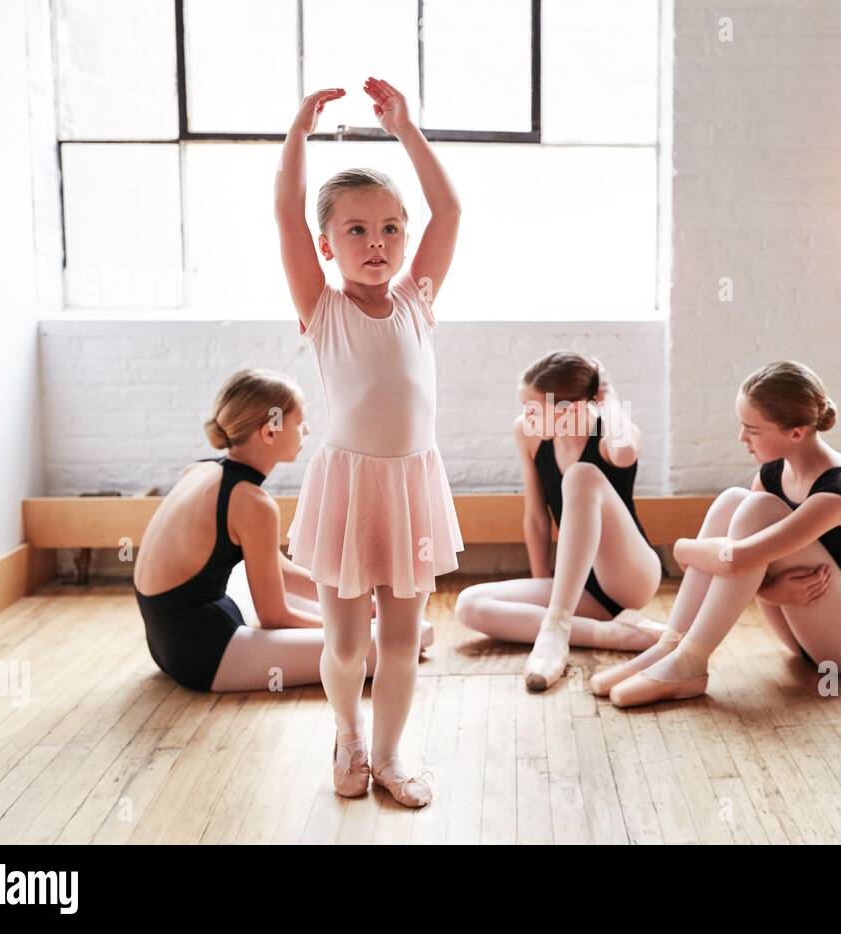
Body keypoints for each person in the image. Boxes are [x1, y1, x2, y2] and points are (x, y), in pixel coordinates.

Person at [275, 78, 463, 806]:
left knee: (402, 640)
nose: (376, 242)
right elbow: (285, 214)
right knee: (348, 642)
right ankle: (347, 735)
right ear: (328, 245)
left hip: (412, 487)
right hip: (348, 490)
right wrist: (298, 136)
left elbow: (449, 209)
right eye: (356, 230)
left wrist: (406, 130)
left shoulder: (418, 302)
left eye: (389, 228)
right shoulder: (322, 310)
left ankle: (389, 755)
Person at [590, 360, 841, 708]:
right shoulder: (772, 474)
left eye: (752, 429)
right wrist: (770, 590)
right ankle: (672, 644)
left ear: (796, 432)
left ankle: (691, 661)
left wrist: (683, 549)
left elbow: (738, 559)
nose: (742, 438)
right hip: (803, 628)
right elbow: (746, 570)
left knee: (758, 510)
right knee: (733, 502)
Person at [133, 369, 434, 694]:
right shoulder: (253, 503)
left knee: (384, 626)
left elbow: (278, 569)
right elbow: (275, 616)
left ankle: (357, 620)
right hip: (206, 654)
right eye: (299, 421)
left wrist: (362, 603)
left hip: (168, 642)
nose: (306, 430)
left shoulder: (202, 468)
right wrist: (355, 627)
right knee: (414, 635)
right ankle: (358, 629)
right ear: (270, 432)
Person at [455, 352, 667, 692]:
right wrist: (545, 585)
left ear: (568, 409)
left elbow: (626, 452)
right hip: (576, 587)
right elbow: (537, 516)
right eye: (523, 404)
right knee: (470, 606)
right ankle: (610, 634)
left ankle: (557, 626)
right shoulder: (528, 434)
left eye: (533, 407)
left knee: (581, 476)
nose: (525, 415)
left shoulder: (612, 435)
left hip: (627, 575)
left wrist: (608, 396)